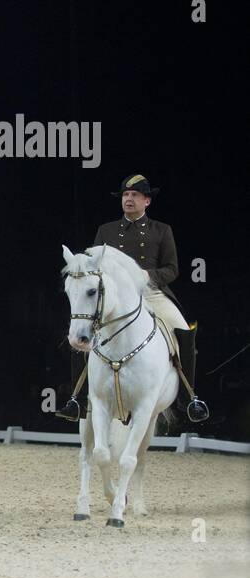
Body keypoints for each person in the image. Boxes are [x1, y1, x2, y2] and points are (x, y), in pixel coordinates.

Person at [56, 174, 208, 423]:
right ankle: (78, 399)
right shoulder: (106, 231)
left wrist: (146, 277)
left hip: (152, 293)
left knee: (184, 331)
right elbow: (94, 270)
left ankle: (189, 398)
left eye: (135, 195)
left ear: (146, 201)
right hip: (115, 298)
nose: (129, 199)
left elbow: (172, 269)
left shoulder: (162, 230)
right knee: (82, 335)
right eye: (126, 195)